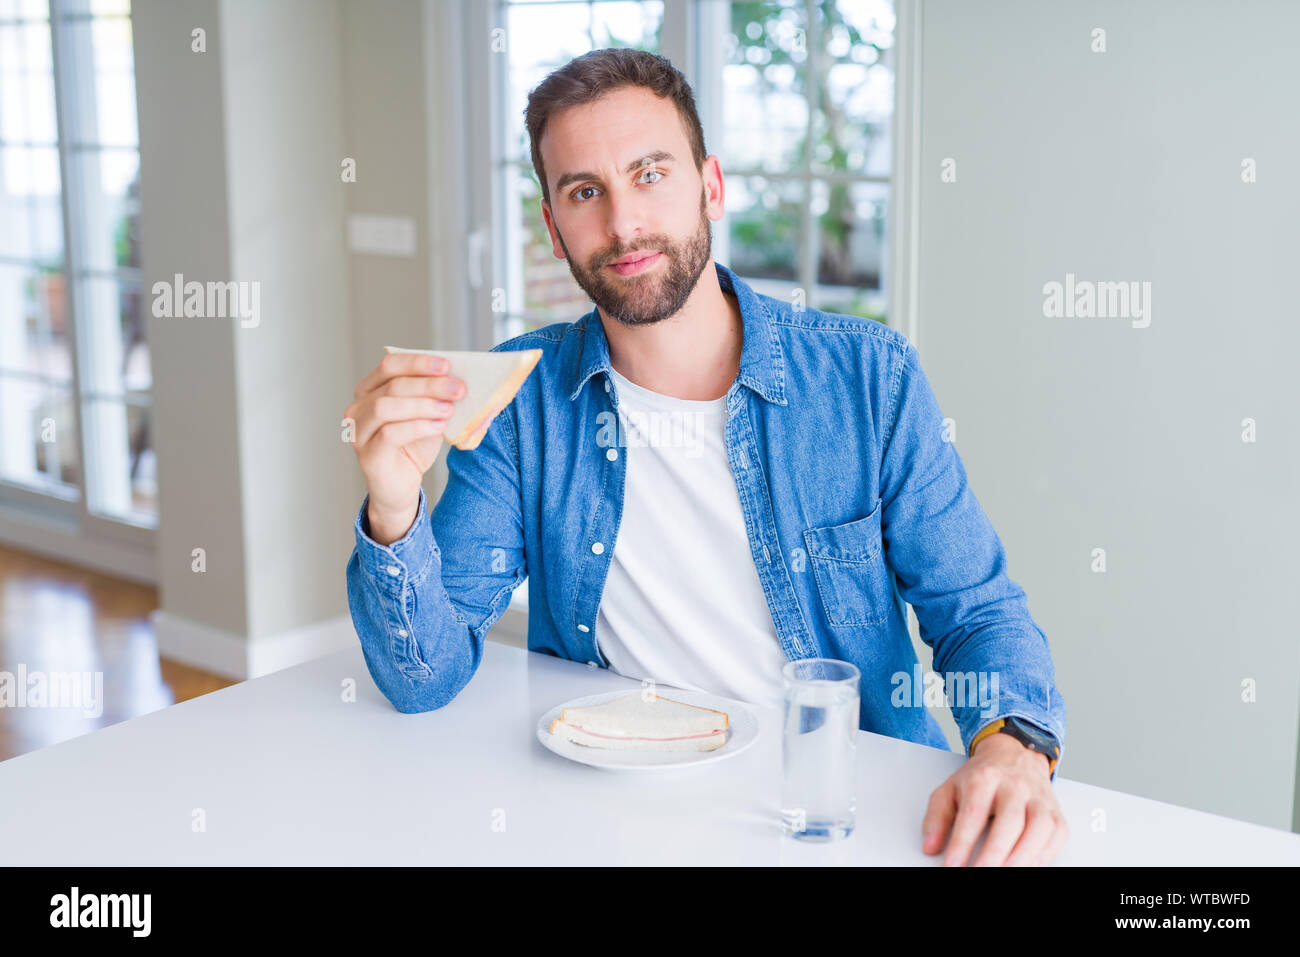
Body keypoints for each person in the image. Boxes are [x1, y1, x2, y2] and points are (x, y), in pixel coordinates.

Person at [344, 48, 1067, 867]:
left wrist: (1013, 747)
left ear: (710, 186)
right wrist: (393, 503)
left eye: (650, 173)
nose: (623, 225)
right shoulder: (525, 402)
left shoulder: (871, 379)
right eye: (585, 192)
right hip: (603, 813)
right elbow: (422, 678)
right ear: (553, 228)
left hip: (835, 813)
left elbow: (977, 613)